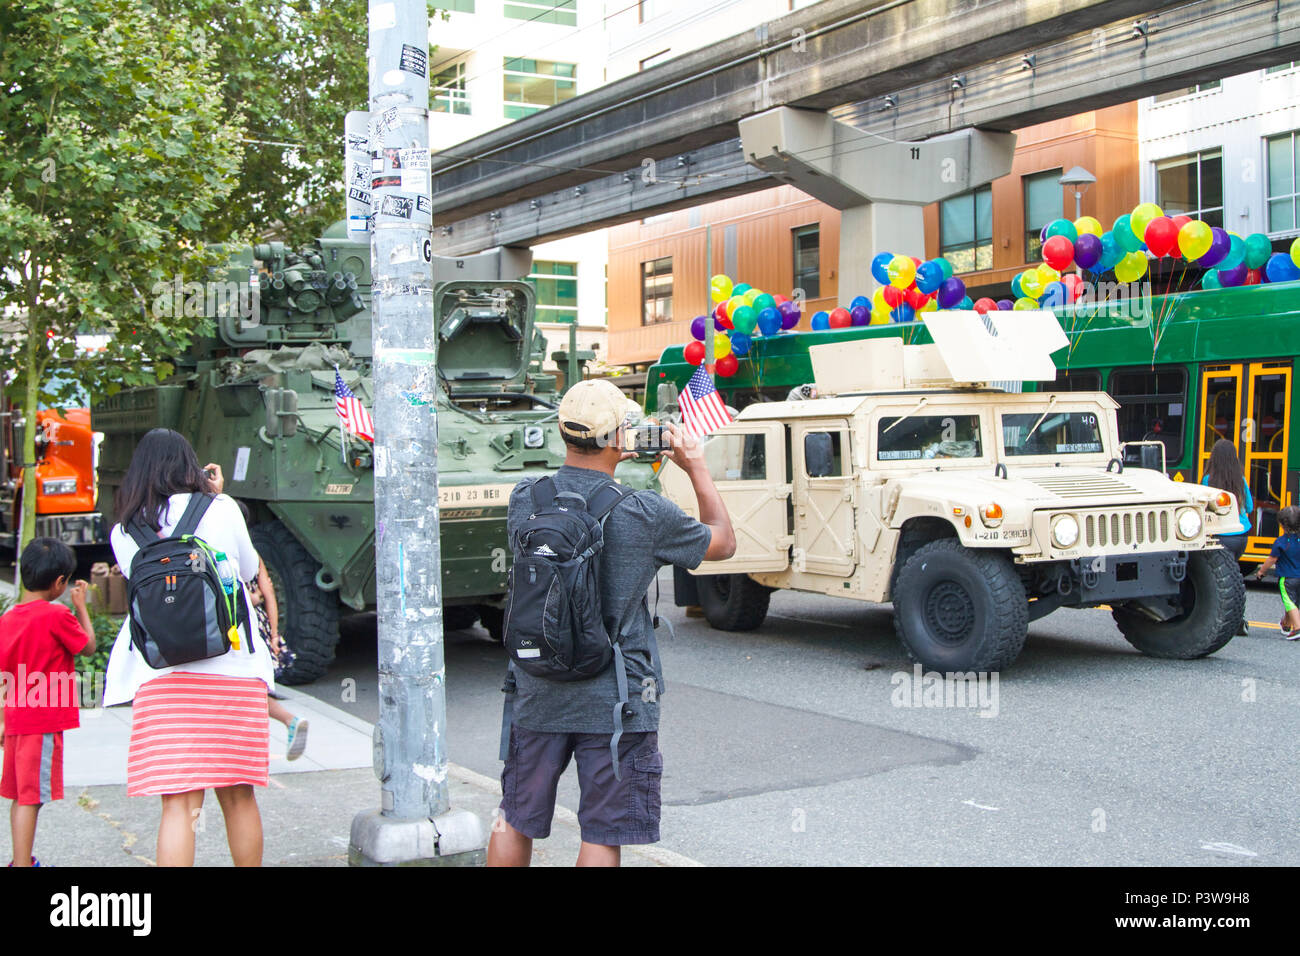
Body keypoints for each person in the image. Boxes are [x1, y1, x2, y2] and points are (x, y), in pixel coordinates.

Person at [487, 379, 735, 868]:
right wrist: (696, 466)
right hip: (617, 699)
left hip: (536, 688)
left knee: (514, 817)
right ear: (620, 437)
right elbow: (723, 543)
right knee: (601, 832)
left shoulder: (525, 498)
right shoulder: (644, 512)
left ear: (564, 432)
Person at [103, 429, 275, 866]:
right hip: (234, 669)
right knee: (238, 797)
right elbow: (250, 568)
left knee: (179, 804)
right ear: (190, 466)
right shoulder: (221, 508)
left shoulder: (124, 532)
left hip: (162, 678)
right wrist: (217, 498)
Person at [0, 538, 97, 867]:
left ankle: (21, 861)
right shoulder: (56, 616)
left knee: (21, 796)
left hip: (15, 720)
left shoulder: (7, 619)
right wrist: (80, 605)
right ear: (59, 583)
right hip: (40, 723)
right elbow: (88, 647)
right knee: (32, 798)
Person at [233, 501, 308, 760]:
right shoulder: (253, 554)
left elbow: (258, 595)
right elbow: (269, 595)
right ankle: (282, 727)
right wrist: (274, 633)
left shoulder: (227, 552)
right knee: (250, 688)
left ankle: (287, 721)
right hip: (259, 627)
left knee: (243, 688)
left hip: (239, 628)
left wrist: (249, 600)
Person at [1202, 438, 1253, 635]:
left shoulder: (1208, 480)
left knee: (1221, 582)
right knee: (1233, 577)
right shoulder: (1240, 479)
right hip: (1241, 535)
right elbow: (1249, 507)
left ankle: (1231, 620)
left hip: (1220, 536)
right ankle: (1238, 618)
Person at [1252, 505, 1300, 640]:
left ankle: (1297, 628)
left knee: (1289, 601)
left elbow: (1272, 559)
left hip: (1288, 578)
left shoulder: (1281, 542)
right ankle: (1286, 624)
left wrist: (1261, 571)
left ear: (1282, 524)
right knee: (1294, 602)